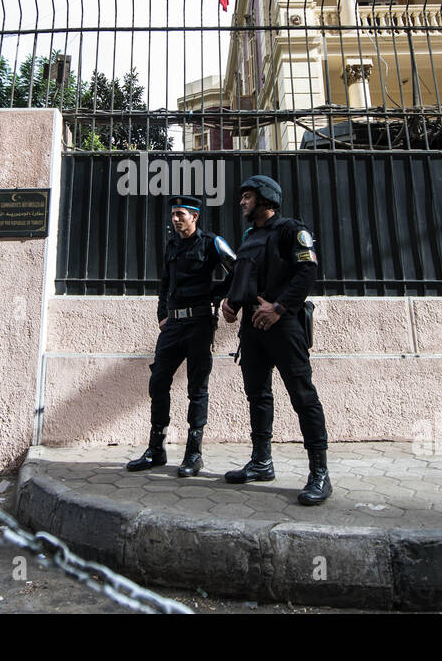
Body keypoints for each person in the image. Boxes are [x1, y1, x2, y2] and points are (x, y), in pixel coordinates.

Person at [220, 175, 332, 505]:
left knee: (302, 395)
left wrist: (279, 308)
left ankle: (320, 474)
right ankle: (261, 461)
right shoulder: (250, 236)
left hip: (283, 326)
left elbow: (307, 272)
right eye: (242, 197)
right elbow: (244, 277)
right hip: (252, 328)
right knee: (257, 394)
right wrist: (231, 303)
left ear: (266, 198)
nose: (241, 202)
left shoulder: (290, 230)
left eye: (248, 196)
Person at [126, 195, 235, 477]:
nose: (175, 219)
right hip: (173, 326)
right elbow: (165, 282)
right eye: (174, 214)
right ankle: (156, 449)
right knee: (158, 381)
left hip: (199, 324)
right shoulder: (172, 244)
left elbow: (237, 269)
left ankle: (193, 454)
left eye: (181, 215)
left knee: (197, 389)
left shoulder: (212, 242)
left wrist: (217, 295)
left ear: (195, 217)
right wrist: (161, 313)